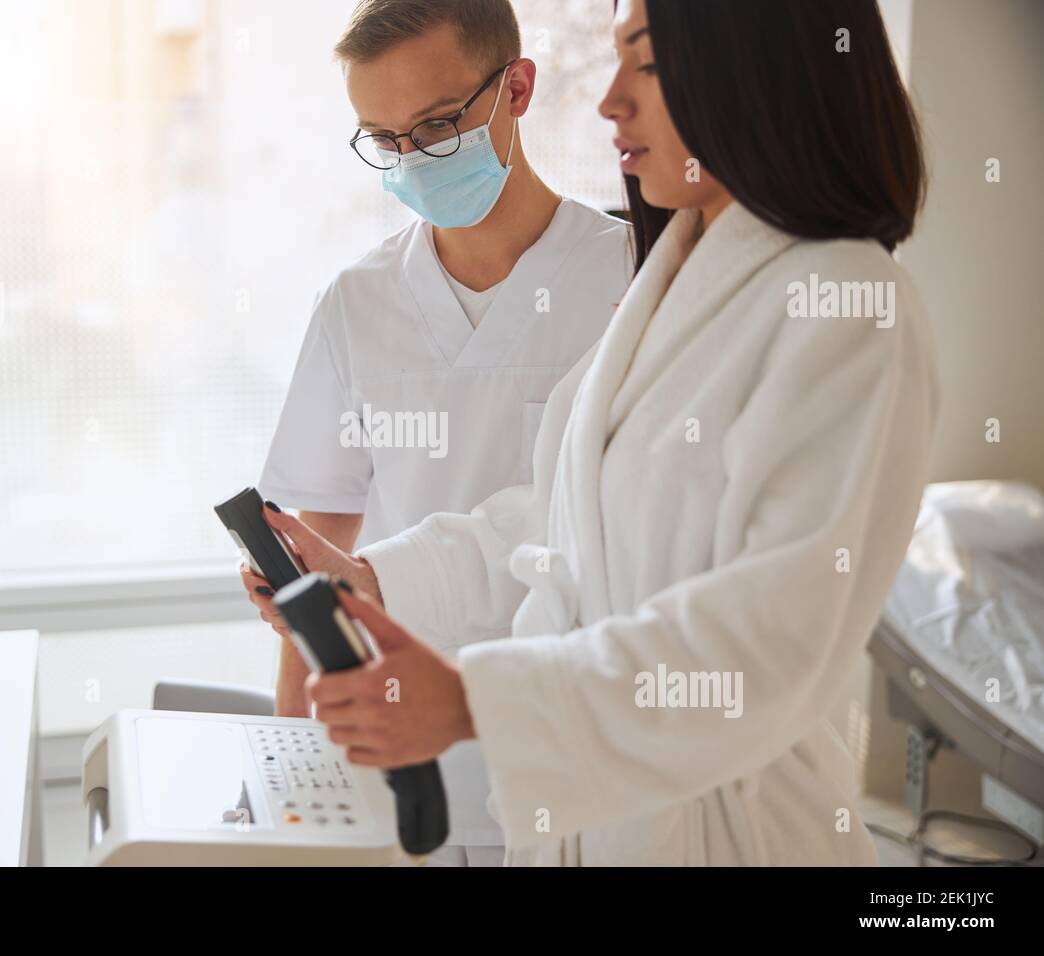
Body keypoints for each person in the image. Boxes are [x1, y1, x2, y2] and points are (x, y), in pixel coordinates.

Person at [247, 0, 936, 865]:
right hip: (585, 820)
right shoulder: (676, 281)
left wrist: (474, 702)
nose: (609, 101)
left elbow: (764, 644)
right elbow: (563, 520)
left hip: (727, 833)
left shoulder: (841, 305)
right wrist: (376, 577)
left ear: (754, 69)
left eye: (642, 63)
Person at [247, 0, 633, 865]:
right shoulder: (358, 304)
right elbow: (315, 569)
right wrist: (296, 798)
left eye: (434, 126)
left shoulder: (631, 283)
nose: (411, 160)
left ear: (518, 88)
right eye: (383, 140)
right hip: (402, 771)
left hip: (571, 749)